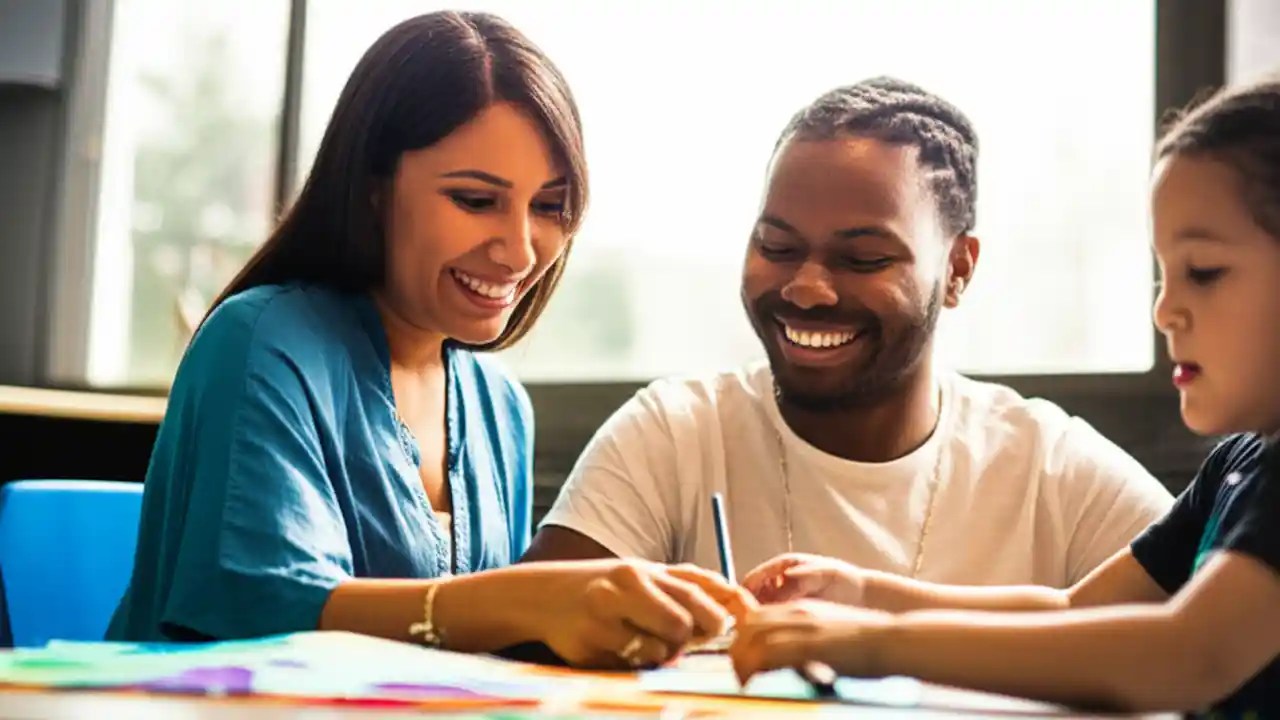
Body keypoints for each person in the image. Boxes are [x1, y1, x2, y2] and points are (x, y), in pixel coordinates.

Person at [107, 11, 746, 671]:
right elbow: (266, 611)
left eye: (550, 206)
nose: (520, 250)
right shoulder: (262, 340)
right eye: (475, 200)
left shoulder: (499, 406)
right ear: (375, 188)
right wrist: (530, 601)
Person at [729, 76, 1280, 717]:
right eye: (1163, 273)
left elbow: (1188, 656)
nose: (1165, 311)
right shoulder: (1239, 467)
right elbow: (1078, 610)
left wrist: (869, 644)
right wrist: (863, 593)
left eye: (1205, 272)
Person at [525, 77, 1173, 589]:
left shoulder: (1052, 471)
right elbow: (522, 642)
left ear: (957, 269)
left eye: (862, 260)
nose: (807, 288)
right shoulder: (676, 433)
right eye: (777, 247)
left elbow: (1221, 640)